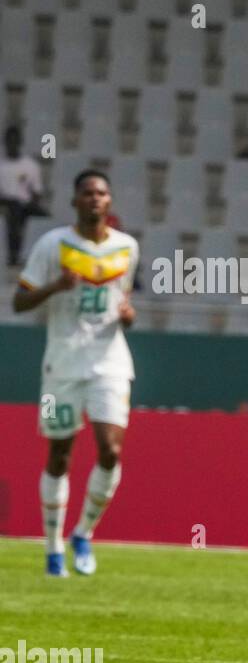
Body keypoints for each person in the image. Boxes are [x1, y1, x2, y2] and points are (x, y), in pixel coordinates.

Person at [12, 170, 138, 578]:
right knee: (59, 456)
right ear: (75, 201)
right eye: (86, 193)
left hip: (110, 361)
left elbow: (124, 302)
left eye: (101, 193)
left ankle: (83, 533)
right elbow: (19, 302)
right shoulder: (53, 245)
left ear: (109, 201)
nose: (94, 199)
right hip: (63, 363)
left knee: (111, 450)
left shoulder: (127, 248)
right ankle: (52, 549)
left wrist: (128, 316)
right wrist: (55, 287)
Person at [0, 125, 45, 266]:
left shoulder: (30, 165)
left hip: (24, 205)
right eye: (9, 141)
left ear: (20, 142)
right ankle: (13, 256)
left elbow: (37, 192)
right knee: (13, 209)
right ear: (5, 143)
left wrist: (32, 204)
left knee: (44, 215)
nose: (12, 145)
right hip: (4, 202)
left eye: (15, 141)